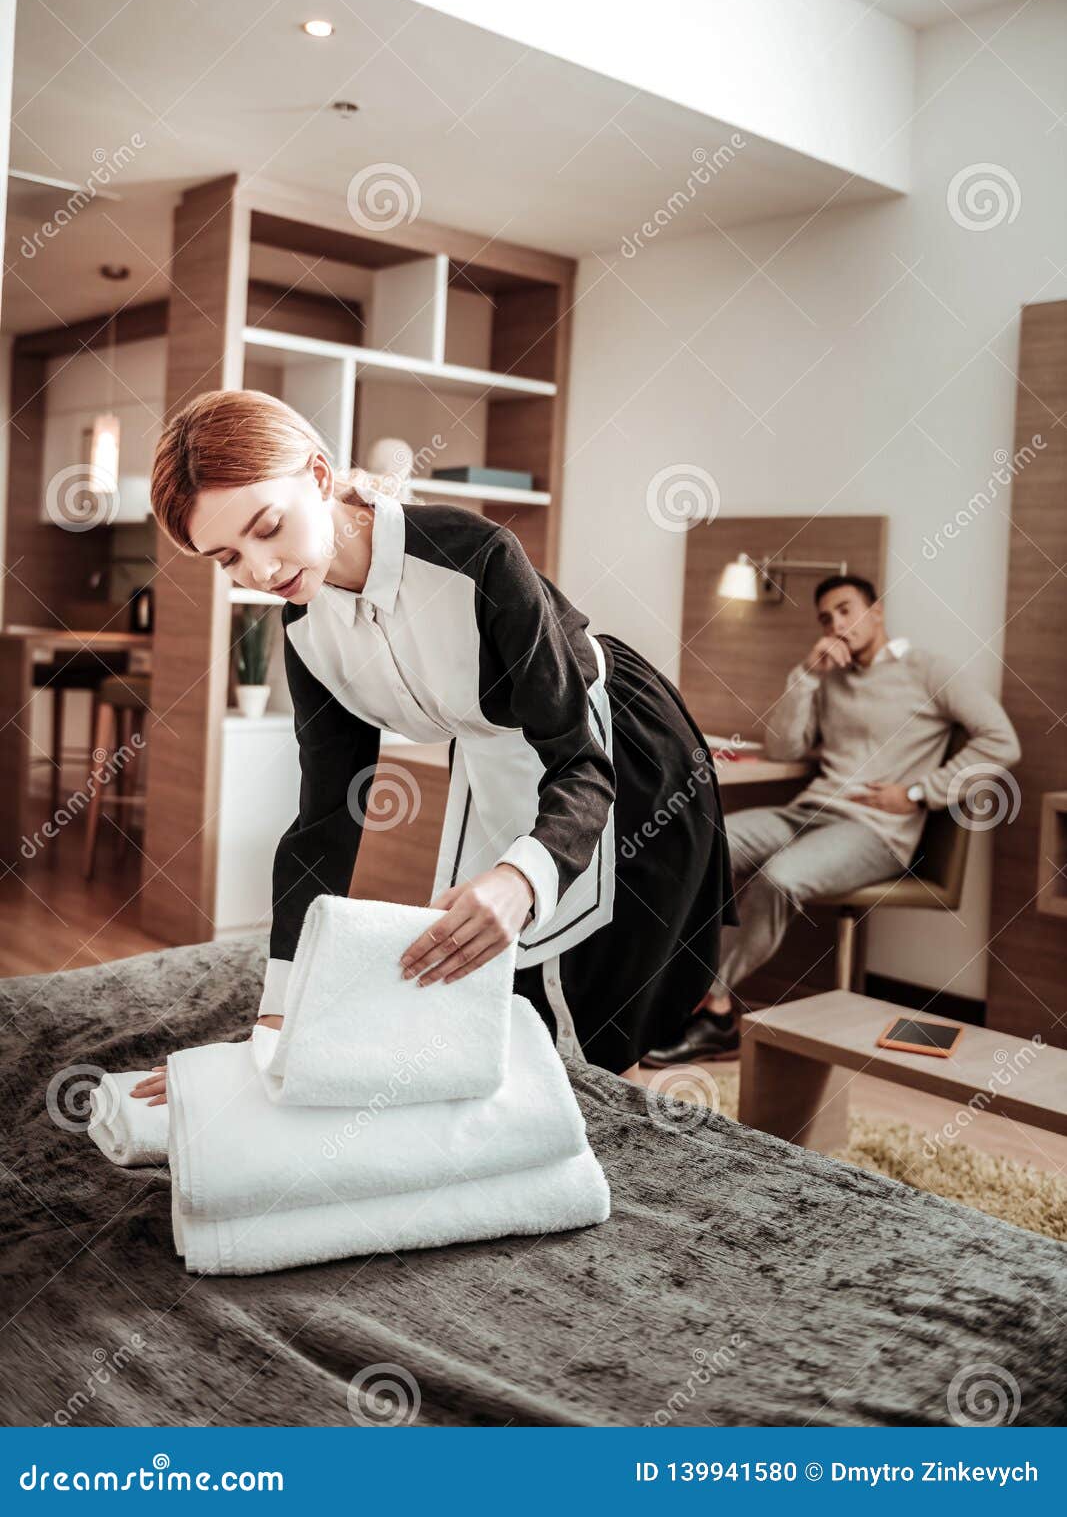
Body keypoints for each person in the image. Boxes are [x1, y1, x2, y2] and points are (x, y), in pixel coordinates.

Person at [131, 389, 737, 1107]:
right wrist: (275, 1024)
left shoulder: (474, 557)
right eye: (228, 557)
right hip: (497, 759)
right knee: (504, 1015)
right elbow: (325, 821)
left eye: (268, 527)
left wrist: (520, 880)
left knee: (604, 1025)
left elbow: (579, 761)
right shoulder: (307, 629)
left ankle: (632, 1148)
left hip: (619, 749)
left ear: (318, 477)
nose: (260, 572)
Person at [641, 573, 1021, 1068]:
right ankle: (661, 990)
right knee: (706, 844)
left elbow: (1001, 741)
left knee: (779, 878)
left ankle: (713, 1010)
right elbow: (784, 748)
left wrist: (918, 793)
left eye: (846, 611)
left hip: (875, 832)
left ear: (876, 611)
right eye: (826, 618)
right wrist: (806, 675)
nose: (837, 624)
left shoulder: (927, 669)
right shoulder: (827, 675)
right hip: (807, 811)